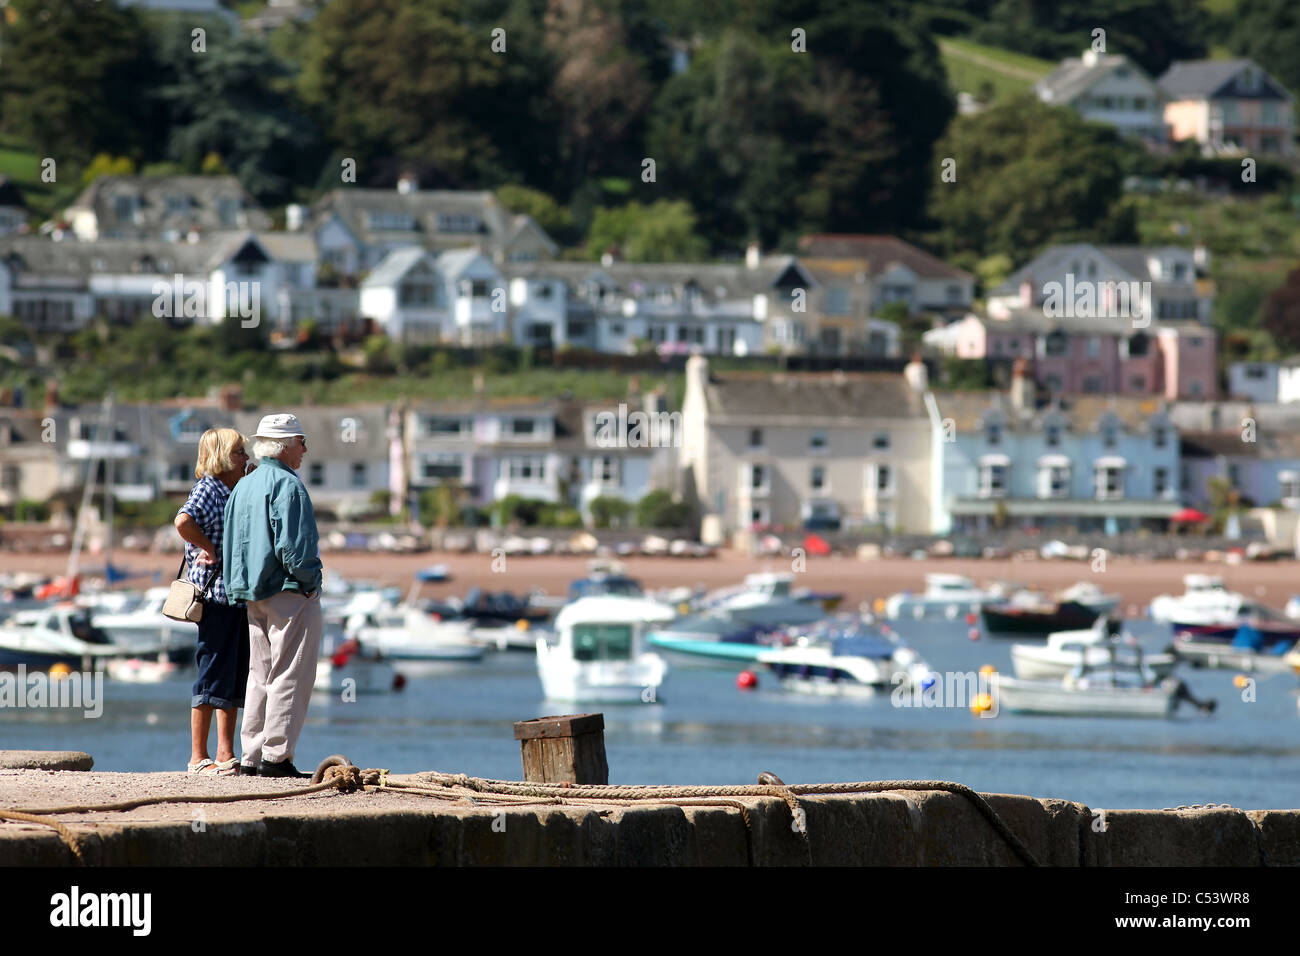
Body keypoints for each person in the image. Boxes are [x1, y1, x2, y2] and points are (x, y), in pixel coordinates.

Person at [223, 413, 323, 778]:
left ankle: (251, 754)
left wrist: (240, 586)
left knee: (259, 674)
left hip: (252, 593)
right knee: (289, 674)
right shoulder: (289, 486)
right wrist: (311, 583)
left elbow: (230, 545)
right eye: (301, 441)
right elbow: (295, 551)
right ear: (284, 446)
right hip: (288, 591)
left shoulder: (244, 486)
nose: (305, 448)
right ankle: (276, 757)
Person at [174, 428, 252, 775]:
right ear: (221, 456)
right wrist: (208, 547)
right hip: (215, 597)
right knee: (211, 675)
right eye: (238, 452)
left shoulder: (230, 489)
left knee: (232, 676)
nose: (244, 457)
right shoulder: (208, 488)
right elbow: (183, 521)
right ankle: (197, 756)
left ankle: (224, 753)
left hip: (233, 598)